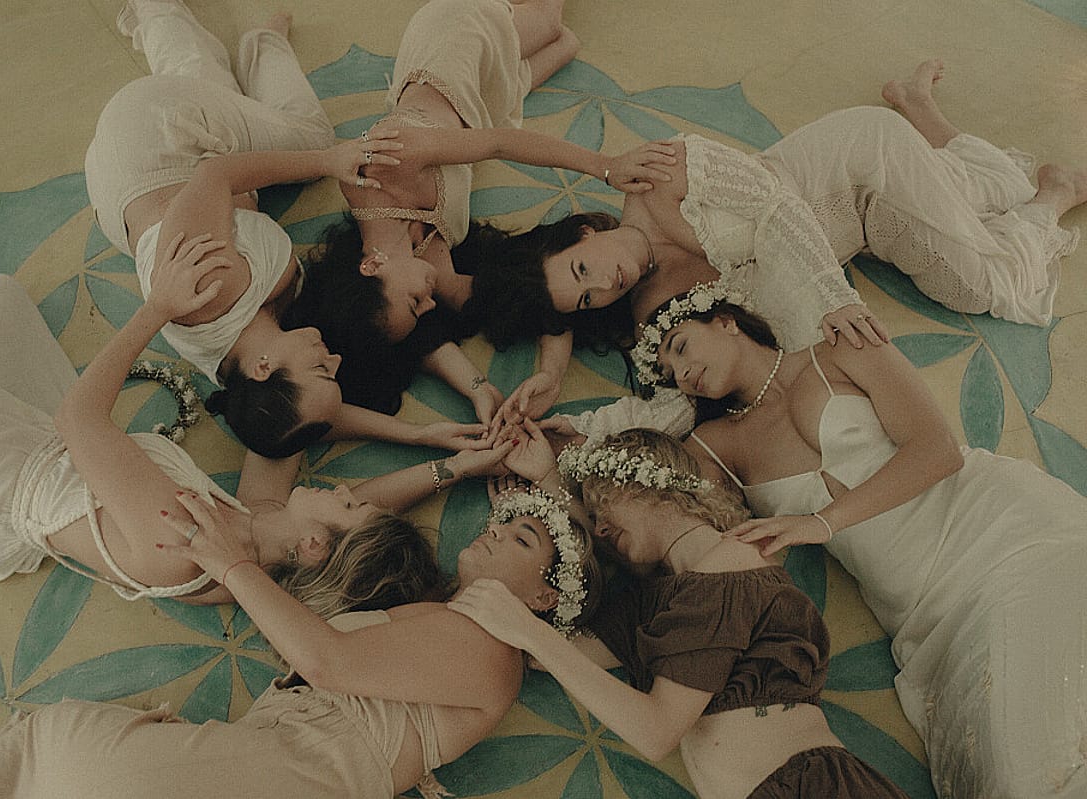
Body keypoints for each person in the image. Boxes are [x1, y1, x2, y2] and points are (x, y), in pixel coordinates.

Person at [605, 284, 1087, 798]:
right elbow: (657, 517)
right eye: (672, 376)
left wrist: (821, 523)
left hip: (1002, 531)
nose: (683, 375)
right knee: (1015, 769)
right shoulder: (712, 448)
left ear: (726, 320)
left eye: (680, 346)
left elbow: (937, 450)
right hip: (929, 613)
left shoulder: (841, 345)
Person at [476, 59, 1085, 423]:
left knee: (990, 255)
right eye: (587, 301)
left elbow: (778, 209)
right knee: (973, 254)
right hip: (860, 229)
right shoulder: (645, 316)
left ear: (583, 231)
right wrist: (557, 386)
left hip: (850, 164)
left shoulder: (660, 173)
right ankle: (920, 106)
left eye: (584, 269)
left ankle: (1049, 191)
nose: (605, 285)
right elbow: (670, 399)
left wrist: (835, 296)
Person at [0, 244, 504, 603]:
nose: (348, 489)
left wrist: (159, 308)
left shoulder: (187, 545)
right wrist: (448, 458)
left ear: (315, 546)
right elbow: (326, 469)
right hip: (35, 439)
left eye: (344, 506)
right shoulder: (258, 548)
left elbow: (82, 417)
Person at [0, 480, 602, 799]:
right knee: (49, 741)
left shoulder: (491, 649)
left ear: (545, 599)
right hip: (248, 760)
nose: (493, 529)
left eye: (521, 537)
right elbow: (336, 514)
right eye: (503, 518)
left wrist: (230, 563)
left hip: (273, 774)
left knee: (49, 748)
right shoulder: (431, 612)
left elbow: (325, 658)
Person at [84, 0, 483, 457]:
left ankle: (263, 44)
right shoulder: (247, 374)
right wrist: (421, 433)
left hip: (155, 142)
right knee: (199, 74)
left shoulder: (210, 291)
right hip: (152, 190)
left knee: (312, 139)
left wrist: (328, 160)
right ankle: (155, 12)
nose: (332, 360)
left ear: (263, 367)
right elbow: (313, 420)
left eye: (321, 370)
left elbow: (215, 177)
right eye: (333, 371)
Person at [452, 426, 908, 798]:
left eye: (602, 507)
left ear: (648, 484)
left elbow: (656, 731)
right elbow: (540, 658)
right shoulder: (658, 605)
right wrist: (505, 561)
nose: (601, 527)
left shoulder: (731, 562)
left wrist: (534, 635)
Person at [296, 0, 676, 420]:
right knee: (566, 45)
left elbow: (500, 144)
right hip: (479, 109)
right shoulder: (429, 271)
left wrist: (607, 167)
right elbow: (536, 291)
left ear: (370, 267)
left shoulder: (377, 169)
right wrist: (544, 376)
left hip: (452, 50)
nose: (427, 308)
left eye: (413, 303)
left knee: (549, 23)